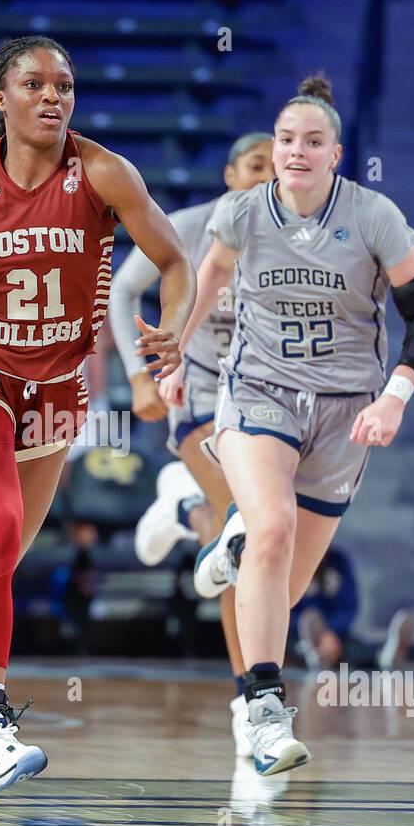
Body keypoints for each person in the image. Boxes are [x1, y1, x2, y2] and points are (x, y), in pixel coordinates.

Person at [0, 36, 193, 794]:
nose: (52, 96)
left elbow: (175, 263)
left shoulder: (102, 172)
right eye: (33, 84)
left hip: (58, 386)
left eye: (63, 85)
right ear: (0, 99)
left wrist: (175, 331)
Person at [175, 73, 414, 774]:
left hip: (346, 407)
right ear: (274, 148)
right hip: (259, 391)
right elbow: (208, 278)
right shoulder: (242, 212)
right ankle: (264, 711)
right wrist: (176, 354)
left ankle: (226, 555)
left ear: (337, 153)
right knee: (274, 527)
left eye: (313, 141)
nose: (296, 151)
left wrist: (394, 398)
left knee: (282, 587)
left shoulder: (374, 217)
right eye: (286, 139)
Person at [110, 131, 274, 756]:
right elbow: (123, 290)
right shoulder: (186, 225)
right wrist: (137, 375)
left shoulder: (295, 240)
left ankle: (183, 510)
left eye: (275, 168)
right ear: (231, 174)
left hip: (267, 404)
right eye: (255, 166)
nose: (266, 177)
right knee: (251, 533)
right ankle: (250, 698)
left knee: (243, 540)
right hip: (198, 397)